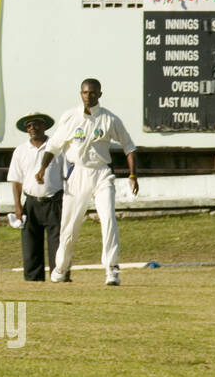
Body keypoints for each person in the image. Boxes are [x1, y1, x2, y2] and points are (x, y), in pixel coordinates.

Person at [35, 79, 139, 286]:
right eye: (84, 93)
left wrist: (133, 175)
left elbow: (129, 146)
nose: (88, 96)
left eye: (92, 93)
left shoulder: (110, 119)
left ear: (99, 94)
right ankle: (61, 268)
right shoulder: (70, 117)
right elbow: (54, 146)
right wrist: (42, 168)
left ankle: (111, 269)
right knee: (69, 226)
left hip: (102, 174)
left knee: (108, 218)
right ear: (80, 93)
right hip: (77, 175)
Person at [7, 111, 65, 281]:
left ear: (45, 126)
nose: (33, 128)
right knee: (30, 245)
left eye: (36, 124)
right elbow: (16, 181)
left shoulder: (56, 147)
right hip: (31, 202)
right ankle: (33, 279)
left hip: (54, 201)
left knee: (58, 243)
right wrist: (18, 206)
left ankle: (59, 275)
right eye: (29, 126)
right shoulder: (20, 151)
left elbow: (67, 175)